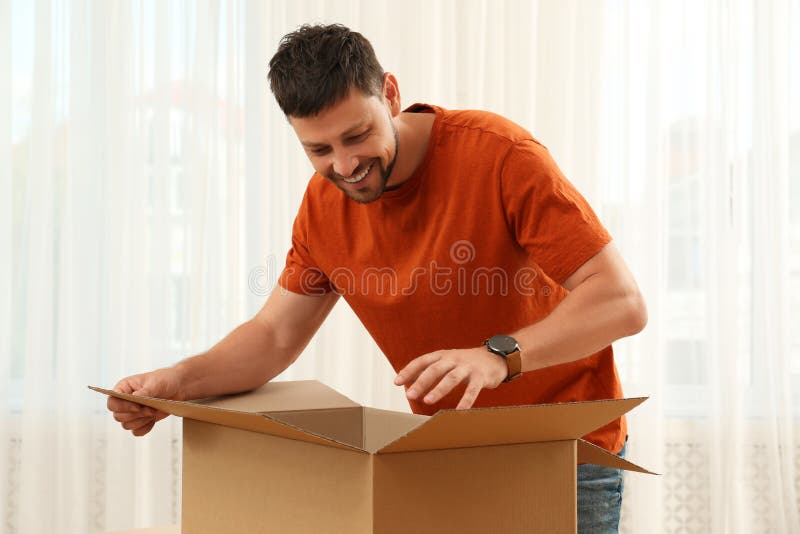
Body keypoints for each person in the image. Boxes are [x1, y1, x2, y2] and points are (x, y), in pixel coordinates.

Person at [107, 23, 647, 532]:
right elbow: (273, 336)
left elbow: (620, 301)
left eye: (356, 136)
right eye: (319, 150)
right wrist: (176, 384)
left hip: (567, 449)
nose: (344, 166)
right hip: (450, 455)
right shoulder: (323, 207)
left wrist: (496, 356)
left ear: (389, 95)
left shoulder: (500, 154)